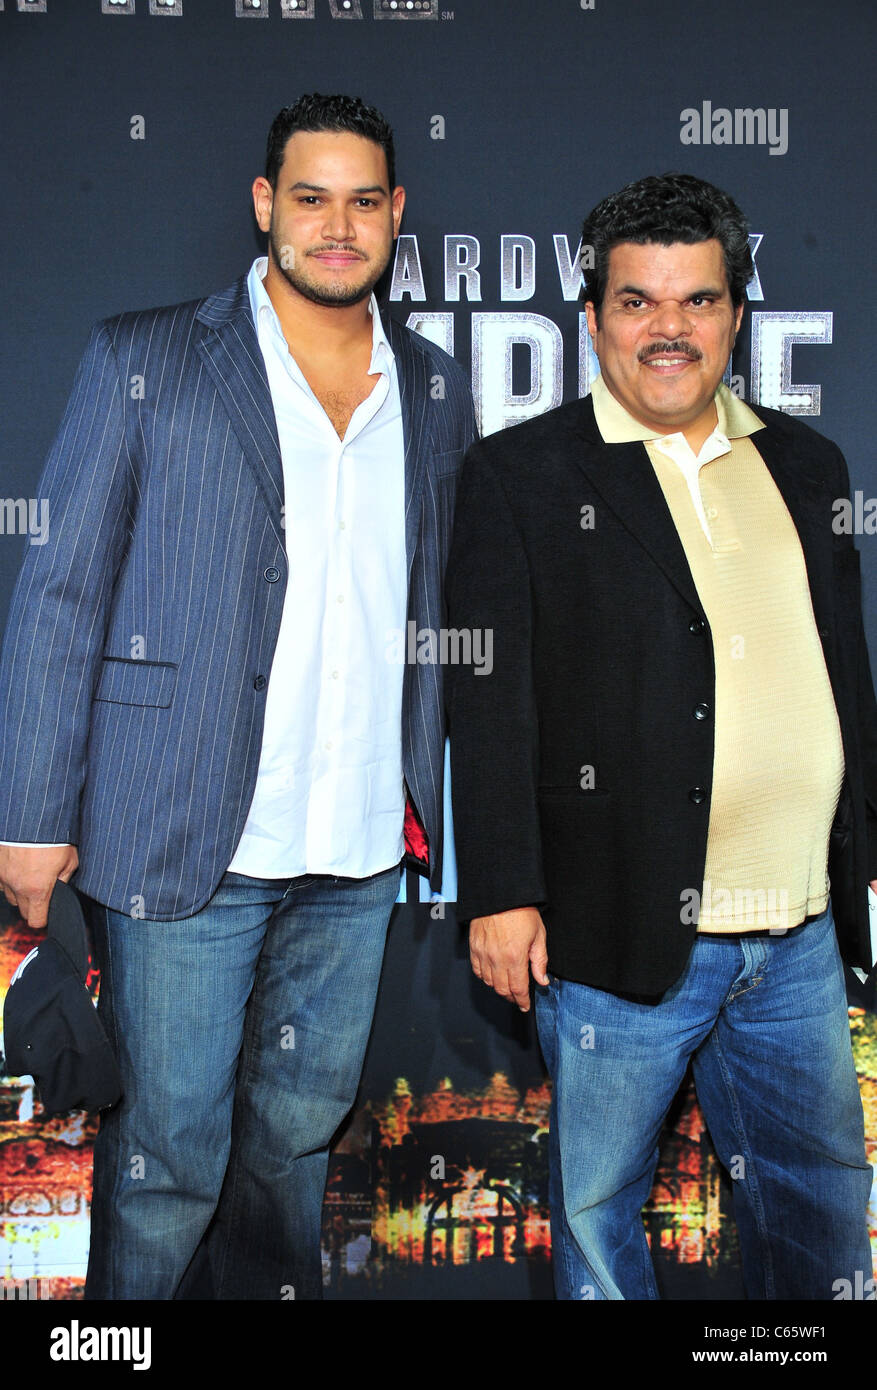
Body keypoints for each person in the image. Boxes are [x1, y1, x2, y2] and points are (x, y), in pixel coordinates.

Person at [0, 92, 476, 1300]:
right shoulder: (146, 356)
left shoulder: (428, 388)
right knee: (165, 1164)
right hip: (181, 841)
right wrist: (31, 811)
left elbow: (437, 605)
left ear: (395, 217)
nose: (335, 225)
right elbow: (60, 596)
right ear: (264, 205)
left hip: (360, 848)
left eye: (362, 201)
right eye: (308, 197)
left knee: (295, 1150)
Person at [445, 171, 875, 1300]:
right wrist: (499, 887)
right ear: (591, 318)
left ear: (736, 312)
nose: (667, 329)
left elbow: (843, 675)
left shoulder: (807, 464)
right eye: (636, 301)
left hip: (796, 932)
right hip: (616, 933)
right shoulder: (519, 475)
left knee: (823, 1202)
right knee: (595, 1219)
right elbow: (485, 699)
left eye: (695, 300)